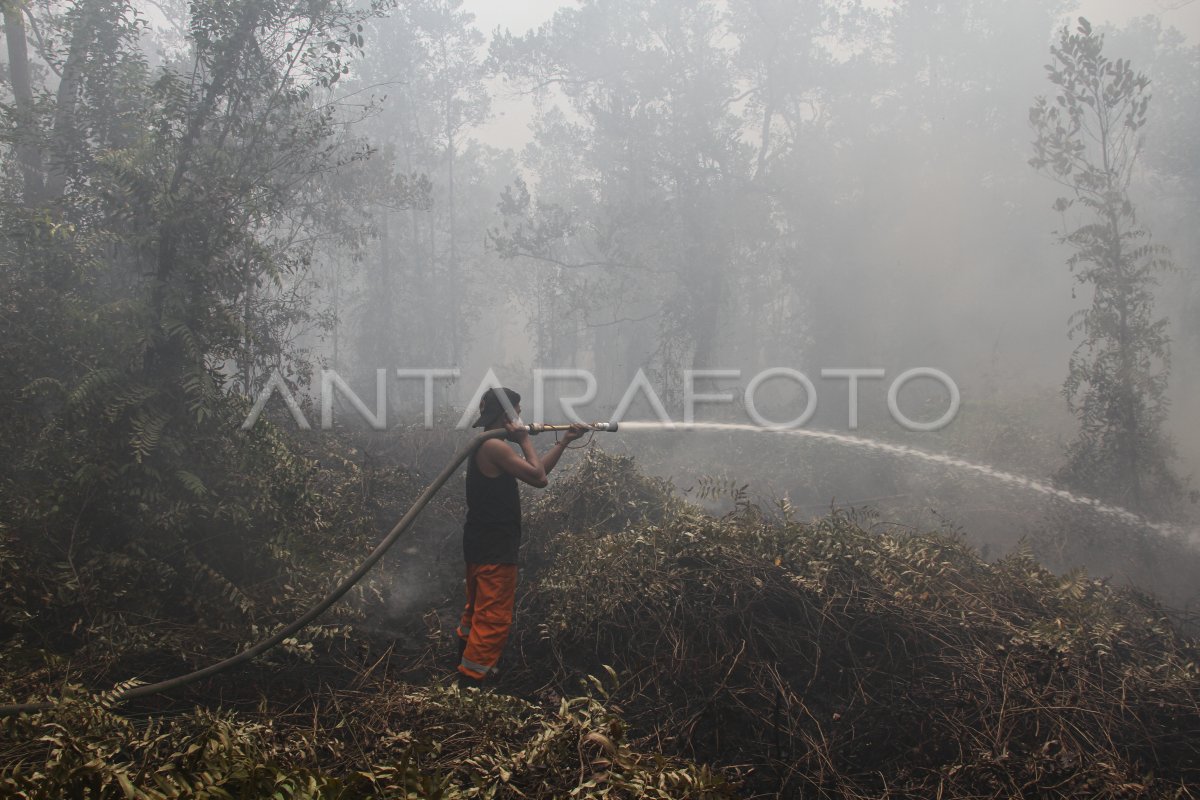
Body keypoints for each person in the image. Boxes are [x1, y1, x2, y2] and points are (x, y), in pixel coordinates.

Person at [455, 387, 588, 688]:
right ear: (507, 415)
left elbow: (535, 471)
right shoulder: (496, 447)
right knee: (492, 619)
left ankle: (465, 664)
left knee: (476, 611)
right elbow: (539, 480)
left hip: (480, 544)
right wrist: (525, 439)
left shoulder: (490, 444)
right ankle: (473, 682)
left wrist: (564, 442)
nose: (522, 417)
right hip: (494, 549)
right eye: (518, 411)